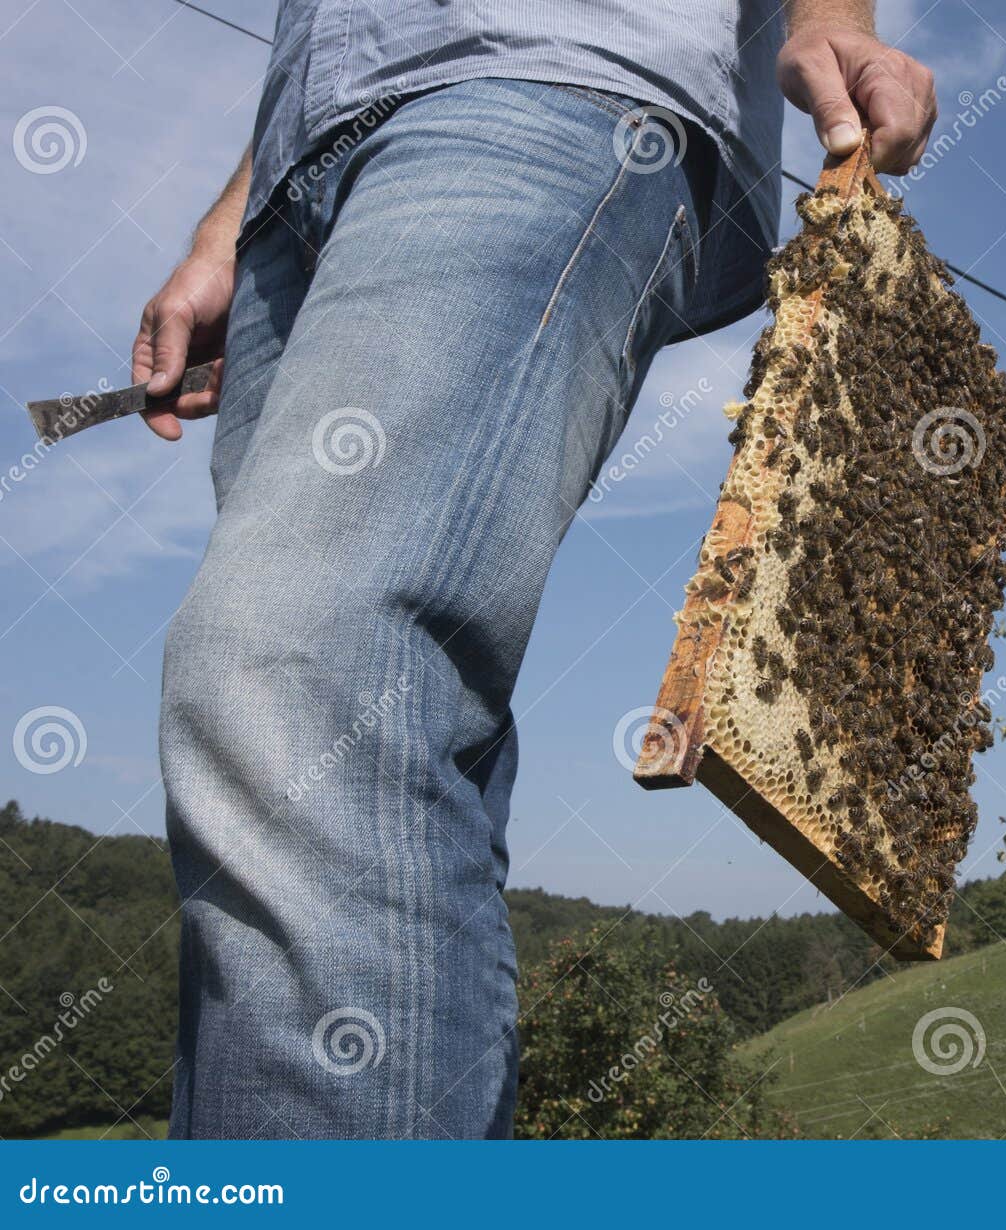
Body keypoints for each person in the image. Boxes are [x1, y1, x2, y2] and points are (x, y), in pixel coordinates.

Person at [132, 0, 935, 1139]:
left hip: (556, 81)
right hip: (299, 183)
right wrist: (227, 228)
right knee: (323, 769)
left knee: (293, 667)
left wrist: (831, 17)